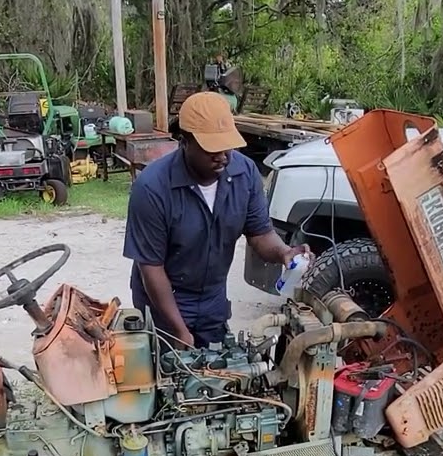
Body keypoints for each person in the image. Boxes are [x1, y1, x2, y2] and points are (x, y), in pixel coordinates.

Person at [123, 91, 311, 348]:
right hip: (163, 306)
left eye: (227, 146)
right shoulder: (152, 188)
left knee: (218, 374)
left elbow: (260, 233)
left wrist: (284, 252)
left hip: (212, 303)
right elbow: (151, 268)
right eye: (212, 148)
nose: (222, 156)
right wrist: (178, 330)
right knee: (167, 379)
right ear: (185, 141)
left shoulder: (244, 174)